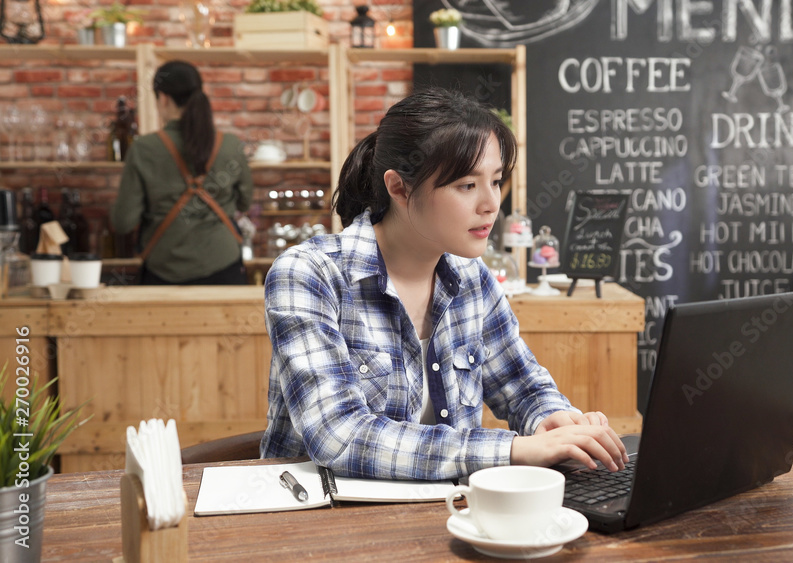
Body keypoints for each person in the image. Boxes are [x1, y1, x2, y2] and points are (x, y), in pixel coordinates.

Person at [260, 88, 628, 480]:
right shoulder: (309, 275)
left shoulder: (472, 279)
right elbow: (339, 435)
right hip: (317, 518)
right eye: (467, 185)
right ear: (399, 188)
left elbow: (522, 384)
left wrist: (553, 420)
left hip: (446, 514)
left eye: (497, 180)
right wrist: (514, 449)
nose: (490, 204)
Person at [111, 60, 253, 285]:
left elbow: (123, 222)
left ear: (164, 98)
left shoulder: (144, 148)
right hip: (224, 265)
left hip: (164, 268)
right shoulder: (231, 145)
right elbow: (245, 203)